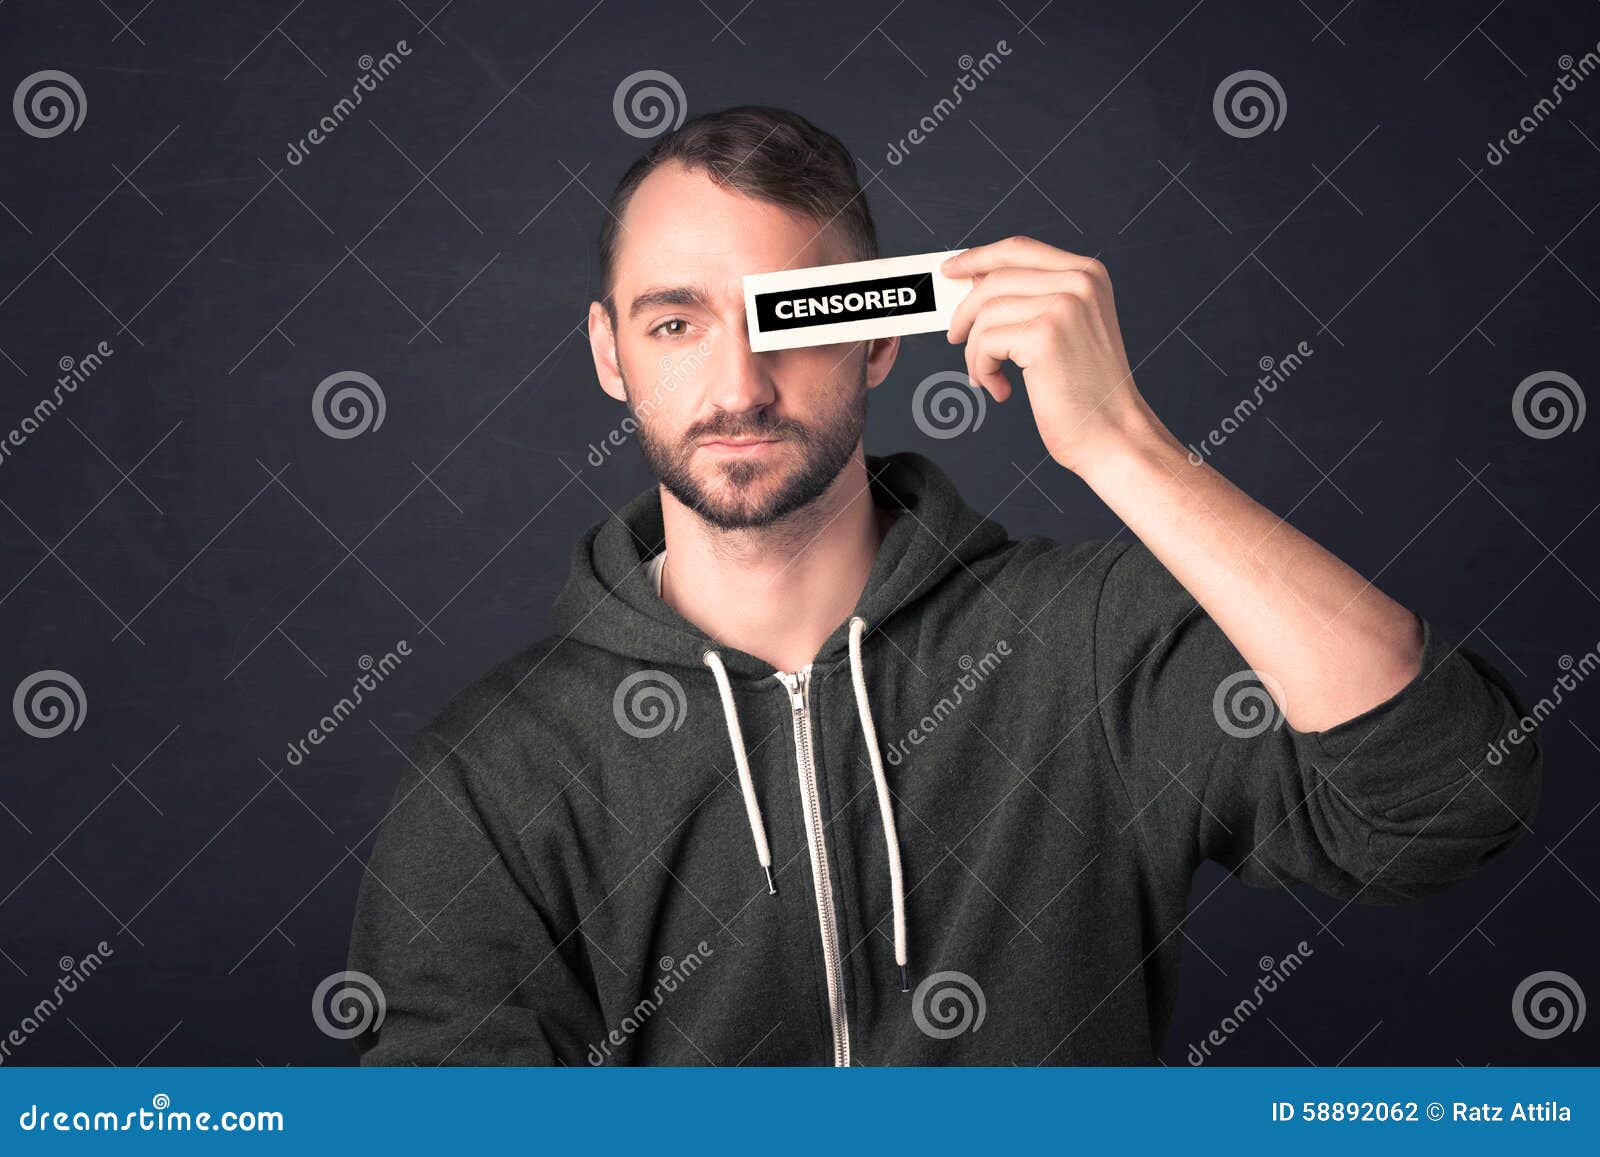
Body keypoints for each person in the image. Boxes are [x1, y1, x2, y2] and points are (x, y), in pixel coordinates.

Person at [347, 106, 1541, 1065]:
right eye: (674, 324)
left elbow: (1446, 800)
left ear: (878, 336)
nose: (741, 384)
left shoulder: (1093, 642)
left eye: (791, 317)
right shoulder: (493, 773)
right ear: (610, 354)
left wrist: (1121, 444)